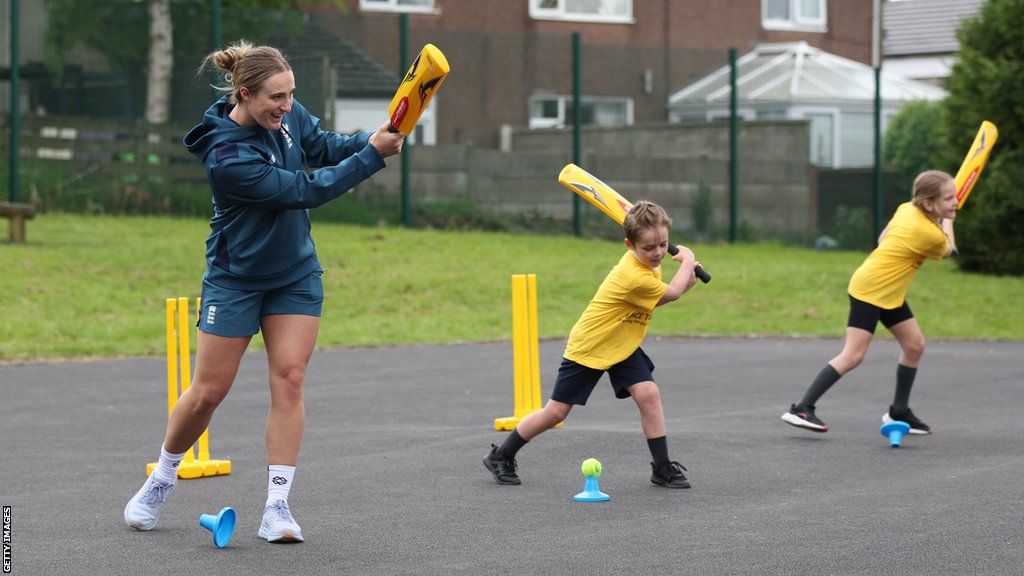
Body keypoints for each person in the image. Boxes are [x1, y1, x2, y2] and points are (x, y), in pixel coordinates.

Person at [124, 41, 404, 543]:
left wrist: (371, 138)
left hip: (295, 273)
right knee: (208, 392)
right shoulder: (226, 156)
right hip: (235, 278)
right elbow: (305, 191)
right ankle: (162, 477)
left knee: (291, 378)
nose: (287, 105)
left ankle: (277, 507)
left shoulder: (286, 113)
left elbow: (324, 146)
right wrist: (372, 158)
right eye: (277, 97)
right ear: (245, 93)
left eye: (291, 94)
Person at [484, 201, 700, 489]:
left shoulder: (648, 265)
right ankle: (501, 455)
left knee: (648, 394)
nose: (659, 253)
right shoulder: (633, 275)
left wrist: (686, 282)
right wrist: (687, 262)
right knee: (556, 413)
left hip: (621, 344)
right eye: (649, 247)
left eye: (663, 244)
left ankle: (662, 467)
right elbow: (671, 293)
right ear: (629, 245)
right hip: (591, 346)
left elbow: (653, 300)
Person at [782, 170, 958, 435]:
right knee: (853, 355)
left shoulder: (906, 209)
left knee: (914, 346)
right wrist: (949, 220)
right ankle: (801, 408)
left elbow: (882, 238)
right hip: (871, 290)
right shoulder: (929, 234)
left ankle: (899, 411)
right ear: (928, 203)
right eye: (948, 198)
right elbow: (948, 249)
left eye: (955, 196)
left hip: (889, 292)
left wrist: (941, 215)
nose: (956, 202)